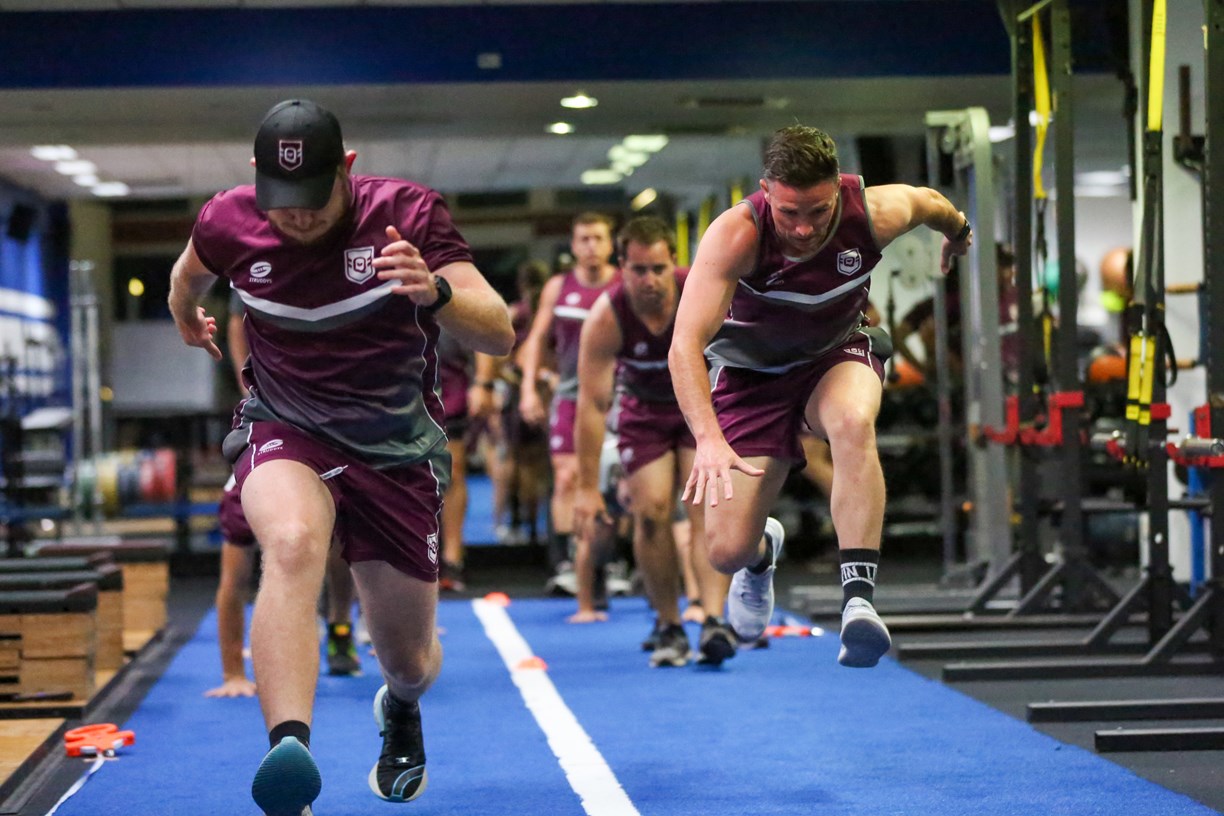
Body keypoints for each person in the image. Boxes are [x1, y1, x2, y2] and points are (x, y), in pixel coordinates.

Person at [169, 99, 513, 813]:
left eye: (313, 200)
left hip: (395, 450)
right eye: (281, 201)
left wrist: (438, 290)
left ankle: (402, 706)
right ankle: (288, 751)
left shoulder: (408, 216)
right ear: (257, 178)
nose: (295, 218)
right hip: (286, 425)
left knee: (410, 661)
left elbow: (500, 332)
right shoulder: (227, 220)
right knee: (291, 542)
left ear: (347, 169)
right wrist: (185, 317)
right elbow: (186, 278)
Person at [669, 124, 972, 669]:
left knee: (854, 422)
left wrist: (959, 232)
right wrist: (708, 440)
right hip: (751, 377)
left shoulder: (873, 215)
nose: (804, 228)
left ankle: (858, 598)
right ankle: (761, 558)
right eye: (789, 213)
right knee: (724, 552)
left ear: (839, 188)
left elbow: (931, 203)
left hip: (833, 355)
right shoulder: (736, 234)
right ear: (767, 192)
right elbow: (685, 345)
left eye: (818, 210)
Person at [573, 216, 736, 666]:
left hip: (698, 408)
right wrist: (587, 486)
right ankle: (669, 624)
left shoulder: (701, 292)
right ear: (622, 267)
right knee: (650, 513)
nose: (650, 281)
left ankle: (714, 620)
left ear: (674, 264)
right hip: (644, 414)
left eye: (659, 269)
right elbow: (590, 405)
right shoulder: (607, 318)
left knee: (706, 509)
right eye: (640, 270)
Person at [205, 292, 361, 698]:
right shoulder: (241, 491)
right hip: (271, 439)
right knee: (245, 569)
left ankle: (341, 626)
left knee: (343, 545)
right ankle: (249, 662)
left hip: (329, 442)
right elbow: (231, 585)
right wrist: (233, 673)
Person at [518, 213, 619, 591]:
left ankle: (608, 564)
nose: (591, 246)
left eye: (598, 238)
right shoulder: (558, 287)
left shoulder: (623, 283)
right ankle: (564, 563)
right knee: (566, 477)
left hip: (616, 396)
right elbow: (535, 341)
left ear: (611, 244)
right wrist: (529, 388)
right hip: (571, 395)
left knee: (611, 481)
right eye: (583, 239)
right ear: (573, 246)